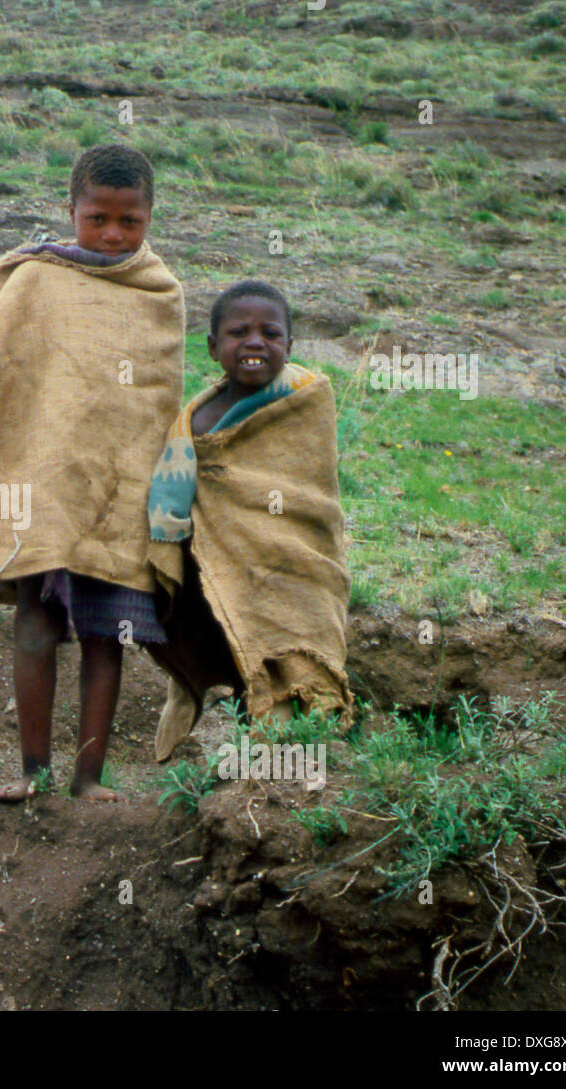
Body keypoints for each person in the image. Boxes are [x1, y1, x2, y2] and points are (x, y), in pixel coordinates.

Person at [0, 144, 186, 802]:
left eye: (130, 222)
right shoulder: (36, 280)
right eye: (97, 218)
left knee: (108, 636)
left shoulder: (160, 293)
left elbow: (155, 398)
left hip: (119, 492)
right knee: (36, 626)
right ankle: (33, 771)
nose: (112, 234)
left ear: (151, 218)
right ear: (70, 210)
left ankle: (89, 778)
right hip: (42, 482)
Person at [145, 279, 352, 762]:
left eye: (271, 333)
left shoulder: (306, 399)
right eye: (239, 332)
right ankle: (251, 744)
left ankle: (298, 754)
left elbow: (312, 493)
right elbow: (173, 492)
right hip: (223, 568)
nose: (255, 342)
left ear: (290, 346)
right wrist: (167, 539)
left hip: (297, 563)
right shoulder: (194, 418)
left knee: (293, 647)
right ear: (214, 346)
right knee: (238, 646)